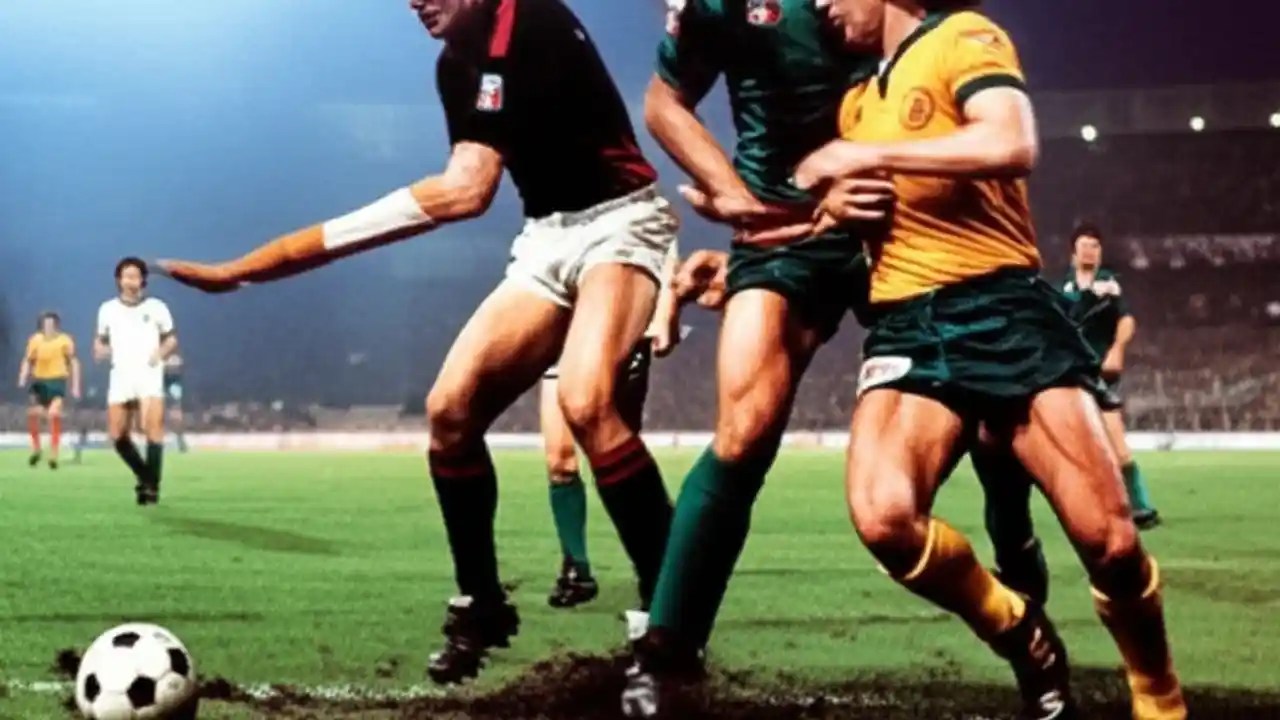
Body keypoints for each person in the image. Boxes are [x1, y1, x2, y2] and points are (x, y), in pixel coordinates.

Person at [156, 0, 678, 686]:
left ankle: (672, 614)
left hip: (622, 224)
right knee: (450, 410)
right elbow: (475, 182)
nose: (415, 1)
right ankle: (482, 605)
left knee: (586, 401)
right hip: (546, 241)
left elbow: (466, 192)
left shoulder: (532, 19)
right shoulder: (453, 69)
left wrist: (261, 264)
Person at [795, 1, 1186, 718]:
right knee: (883, 517)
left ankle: (1158, 695)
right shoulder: (854, 104)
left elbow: (1011, 141)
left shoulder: (964, 36)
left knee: (1114, 543)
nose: (820, 3)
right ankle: (1017, 626)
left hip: (1003, 306)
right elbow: (854, 211)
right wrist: (824, 213)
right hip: (908, 324)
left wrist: (867, 155)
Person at [624, 2, 888, 711]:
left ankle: (1023, 598)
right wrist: (736, 197)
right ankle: (666, 651)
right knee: (743, 433)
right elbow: (663, 99)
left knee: (982, 426)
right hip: (780, 233)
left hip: (897, 224)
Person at [543, 246, 681, 609]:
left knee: (617, 456)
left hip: (617, 323)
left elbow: (663, 249)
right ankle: (577, 568)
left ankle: (660, 565)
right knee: (560, 460)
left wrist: (666, 311)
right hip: (559, 322)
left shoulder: (635, 196)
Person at [1062, 224, 1159, 529]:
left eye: (1095, 246)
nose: (1090, 250)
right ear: (1073, 252)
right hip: (1067, 378)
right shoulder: (1059, 289)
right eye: (1085, 245)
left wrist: (1117, 350)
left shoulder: (1111, 286)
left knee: (1118, 449)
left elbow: (1127, 320)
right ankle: (1087, 509)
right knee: (1072, 452)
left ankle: (1141, 507)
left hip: (1100, 377)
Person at [95, 258, 178, 505]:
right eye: (125, 276)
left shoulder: (156, 307)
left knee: (152, 429)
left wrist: (159, 354)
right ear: (119, 280)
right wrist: (100, 349)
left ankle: (151, 489)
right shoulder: (107, 309)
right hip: (121, 373)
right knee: (117, 435)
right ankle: (145, 476)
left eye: (135, 276)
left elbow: (171, 339)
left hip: (149, 372)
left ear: (143, 279)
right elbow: (100, 340)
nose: (130, 280)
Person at [18, 312, 81, 469]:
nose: (49, 328)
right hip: (39, 382)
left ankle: (53, 455)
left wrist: (75, 385)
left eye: (51, 325)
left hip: (57, 382)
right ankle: (37, 449)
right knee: (33, 414)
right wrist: (23, 376)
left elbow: (74, 362)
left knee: (53, 414)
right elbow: (28, 360)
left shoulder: (64, 341)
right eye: (46, 325)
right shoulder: (35, 340)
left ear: (56, 326)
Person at [163, 352, 190, 453]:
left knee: (176, 415)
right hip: (162, 388)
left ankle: (180, 439)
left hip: (172, 388)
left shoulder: (175, 381)